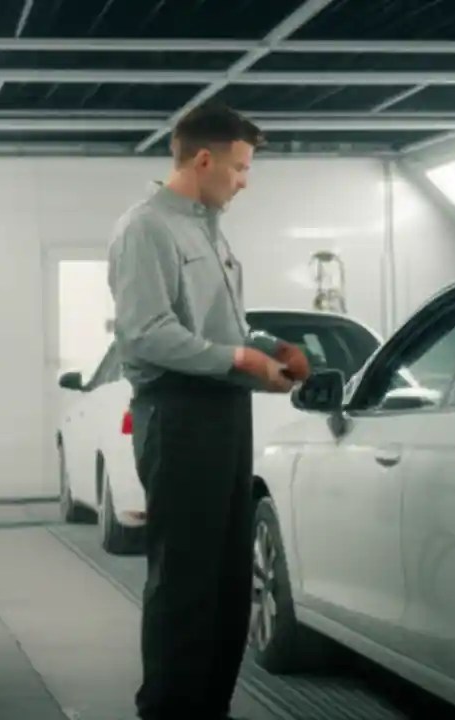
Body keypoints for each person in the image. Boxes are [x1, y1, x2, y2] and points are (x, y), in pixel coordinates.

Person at [108, 102, 310, 720]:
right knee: (185, 579)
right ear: (203, 160)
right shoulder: (147, 228)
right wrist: (241, 361)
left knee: (226, 578)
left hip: (222, 410)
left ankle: (210, 708)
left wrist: (270, 348)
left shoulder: (208, 229)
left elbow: (228, 323)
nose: (246, 181)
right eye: (241, 168)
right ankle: (169, 709)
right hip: (179, 412)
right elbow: (145, 334)